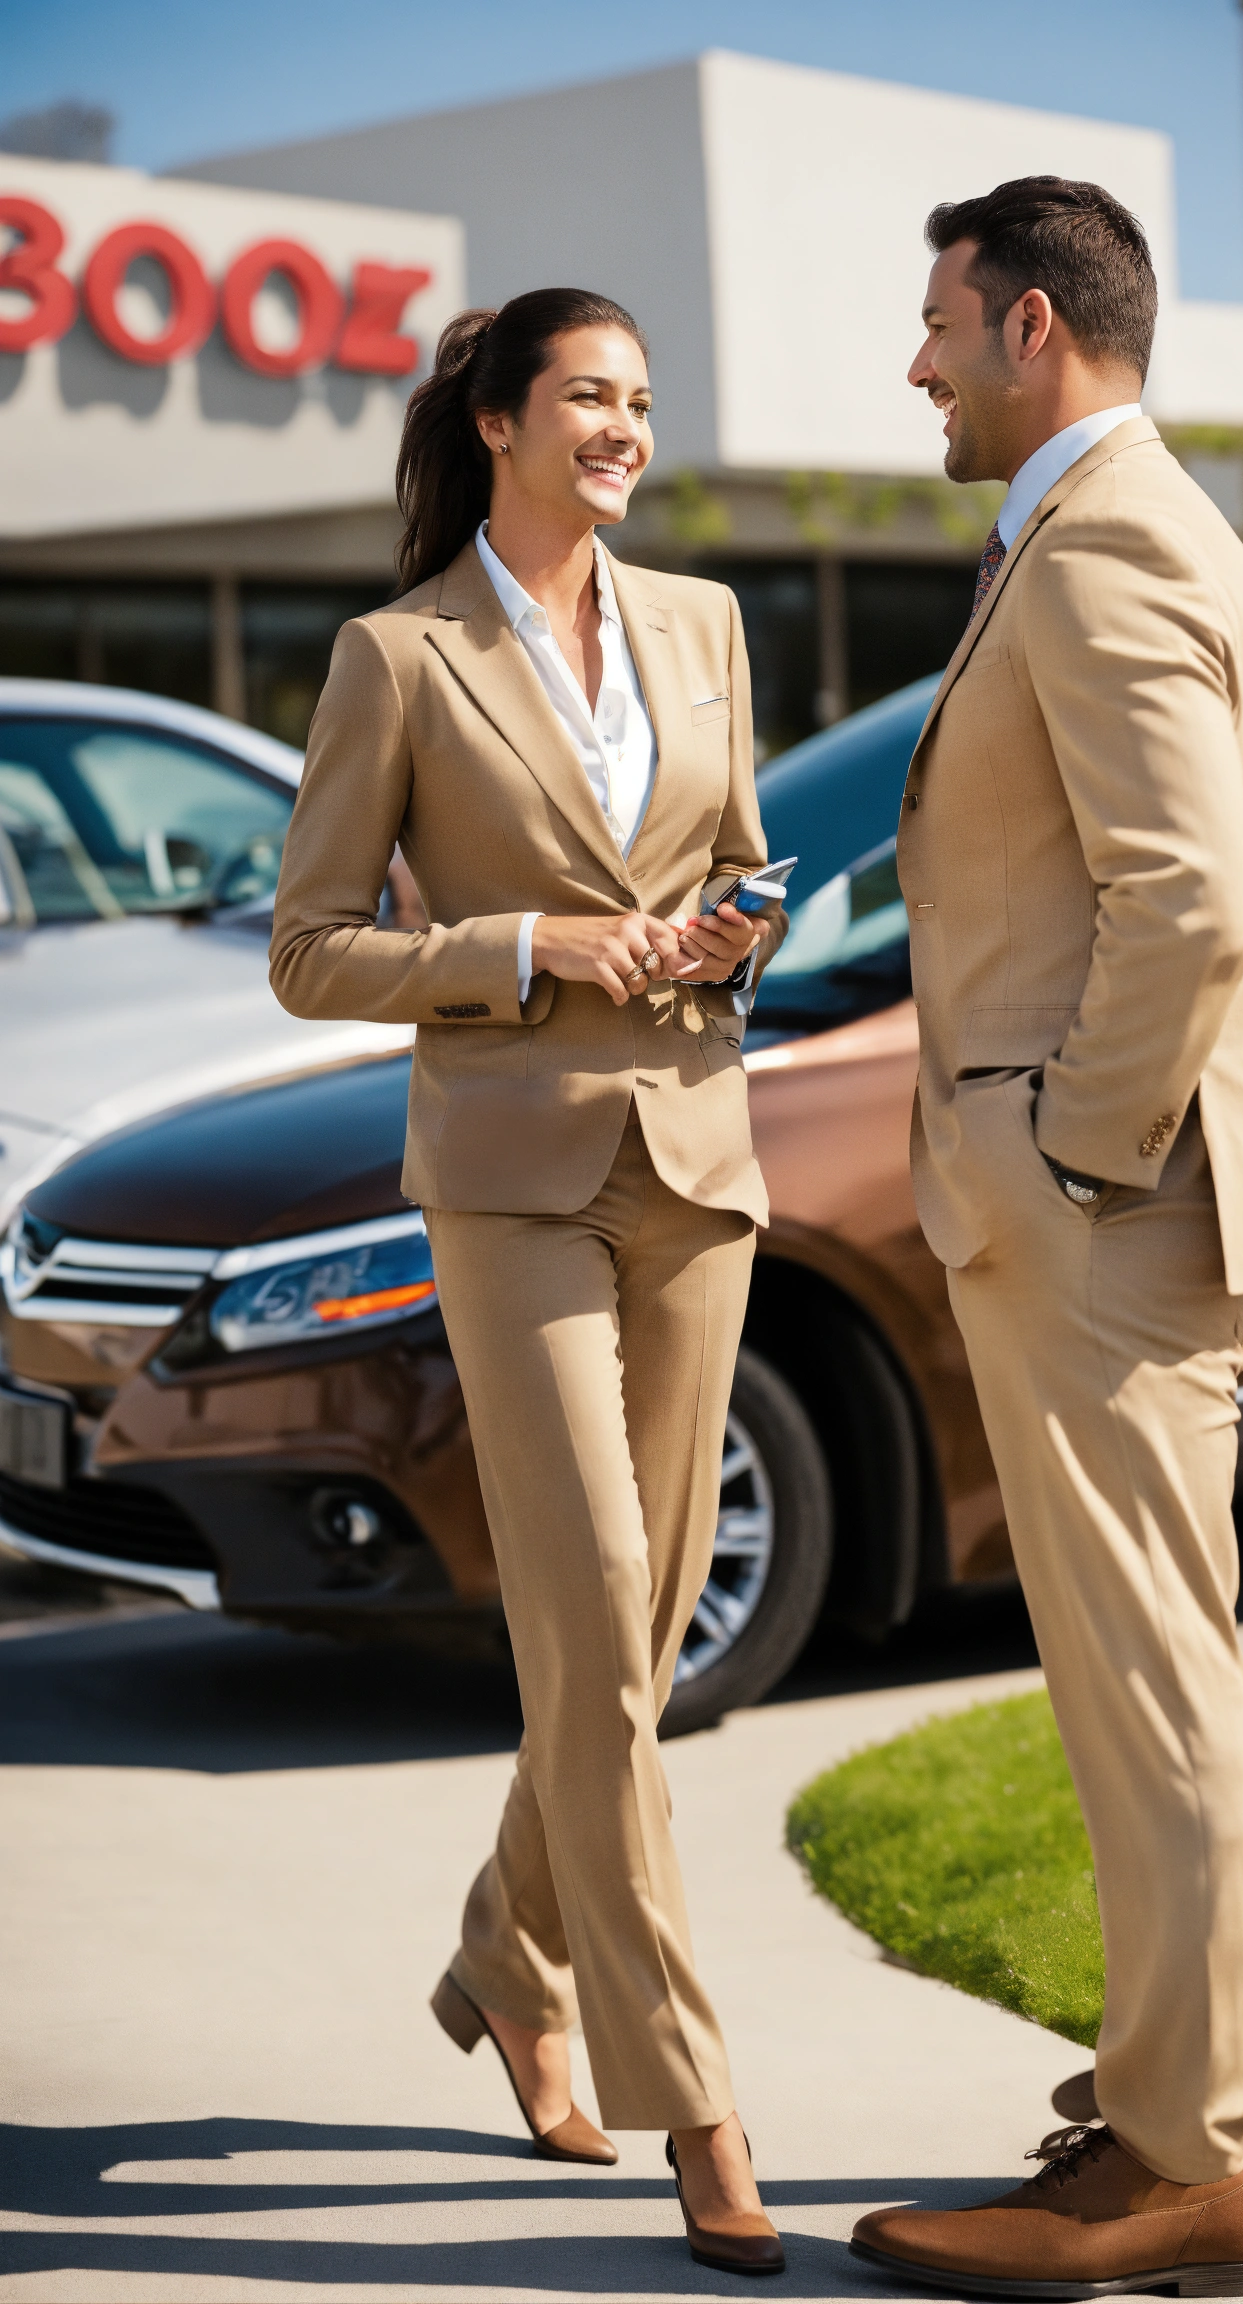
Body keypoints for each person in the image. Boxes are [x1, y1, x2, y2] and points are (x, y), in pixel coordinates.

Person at [269, 289, 786, 2278]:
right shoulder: (395, 658)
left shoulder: (706, 626)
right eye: (588, 396)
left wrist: (722, 933)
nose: (622, 429)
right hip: (512, 1182)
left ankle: (502, 1957)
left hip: (695, 1161)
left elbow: (738, 861)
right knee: (583, 1623)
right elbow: (312, 949)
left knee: (629, 1653)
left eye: (641, 403)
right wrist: (527, 951)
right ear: (494, 421)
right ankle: (697, 2096)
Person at [850, 180, 1243, 2299]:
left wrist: (1066, 1148)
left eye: (940, 322)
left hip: (1105, 1211)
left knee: (1144, 1691)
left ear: (1030, 323)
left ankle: (1174, 2173)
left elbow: (1190, 905)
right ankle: (1227, 2083)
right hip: (1123, 1205)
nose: (919, 360)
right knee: (1161, 1677)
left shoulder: (1111, 534)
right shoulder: (1128, 523)